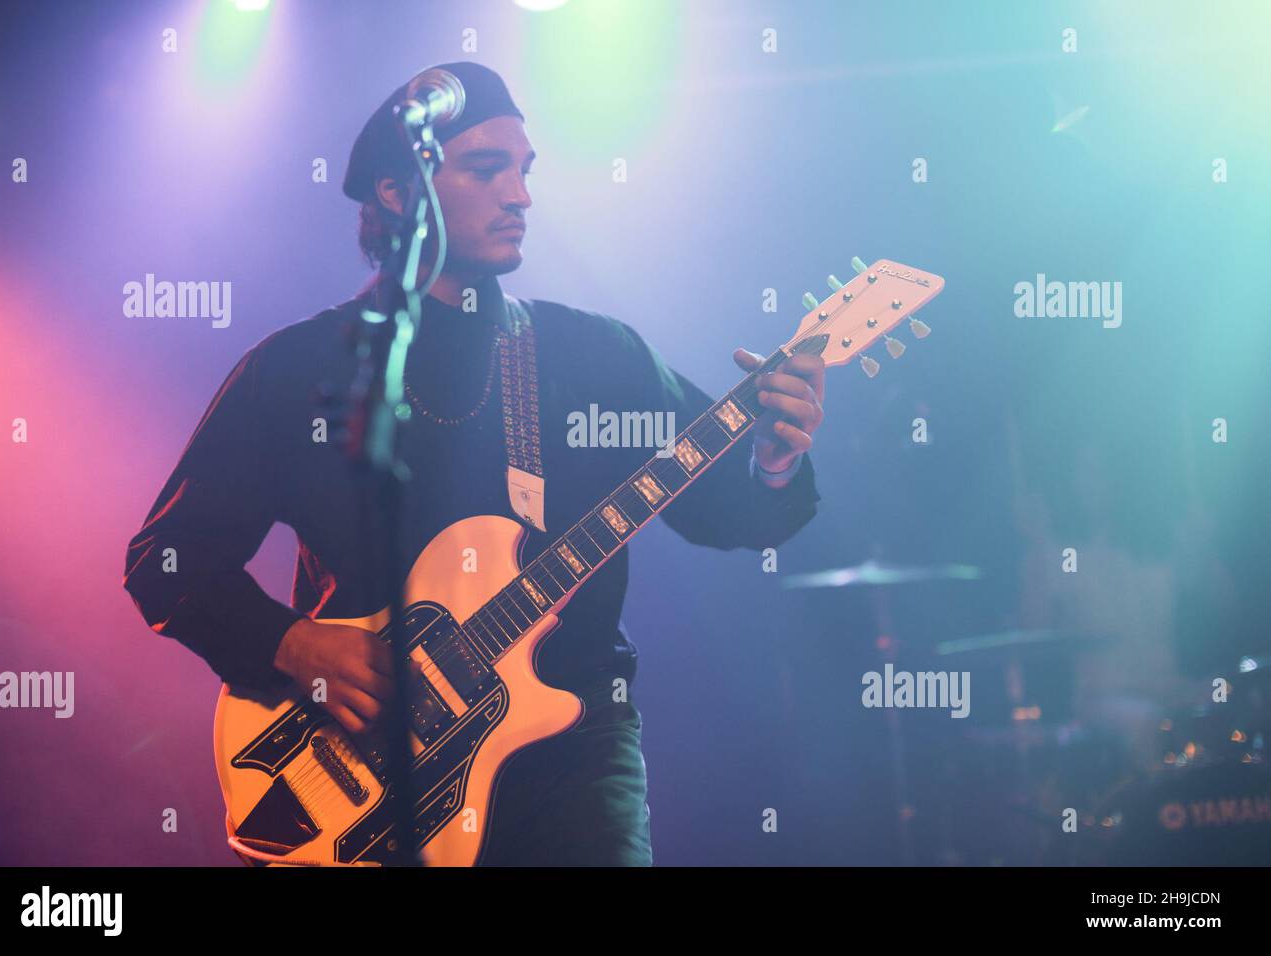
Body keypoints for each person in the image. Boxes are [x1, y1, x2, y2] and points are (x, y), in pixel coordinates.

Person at [122, 61, 825, 866]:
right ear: (396, 191)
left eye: (525, 172)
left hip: (570, 752)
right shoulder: (295, 371)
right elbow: (165, 564)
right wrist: (292, 644)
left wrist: (774, 460)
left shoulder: (591, 354)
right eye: (487, 170)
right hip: (368, 762)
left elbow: (728, 514)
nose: (521, 195)